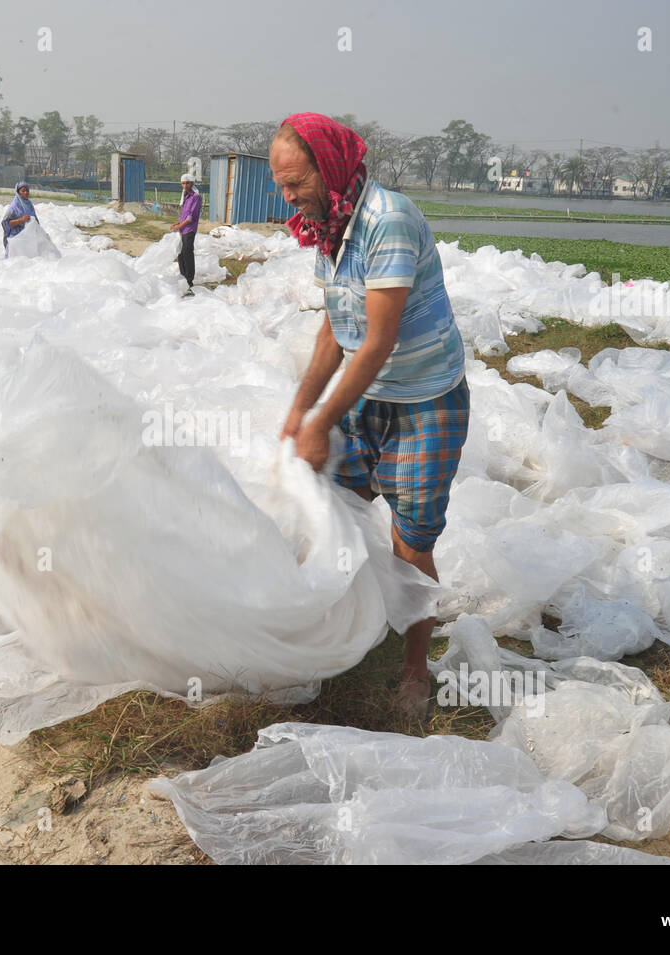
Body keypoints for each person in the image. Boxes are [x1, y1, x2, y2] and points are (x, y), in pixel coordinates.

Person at [270, 113, 469, 720]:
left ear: (329, 169)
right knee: (328, 509)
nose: (289, 196)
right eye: (281, 184)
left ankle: (414, 669)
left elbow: (378, 340)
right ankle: (344, 640)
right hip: (366, 394)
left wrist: (321, 420)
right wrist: (302, 410)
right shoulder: (329, 227)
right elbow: (338, 324)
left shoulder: (389, 220)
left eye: (297, 181)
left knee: (410, 543)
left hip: (424, 399)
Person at [169, 172, 202, 294]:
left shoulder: (196, 197)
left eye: (187, 183)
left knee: (187, 253)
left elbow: (190, 217)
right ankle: (182, 277)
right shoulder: (186, 196)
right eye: (183, 183)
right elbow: (184, 215)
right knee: (180, 253)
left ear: (192, 183)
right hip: (183, 229)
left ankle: (189, 280)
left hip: (189, 230)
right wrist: (177, 223)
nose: (185, 185)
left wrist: (180, 226)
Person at [1, 181, 37, 256]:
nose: (26, 192)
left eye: (27, 190)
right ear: (18, 192)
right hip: (16, 238)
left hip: (27, 238)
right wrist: (21, 220)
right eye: (23, 190)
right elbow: (7, 223)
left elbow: (35, 220)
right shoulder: (14, 206)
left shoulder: (29, 204)